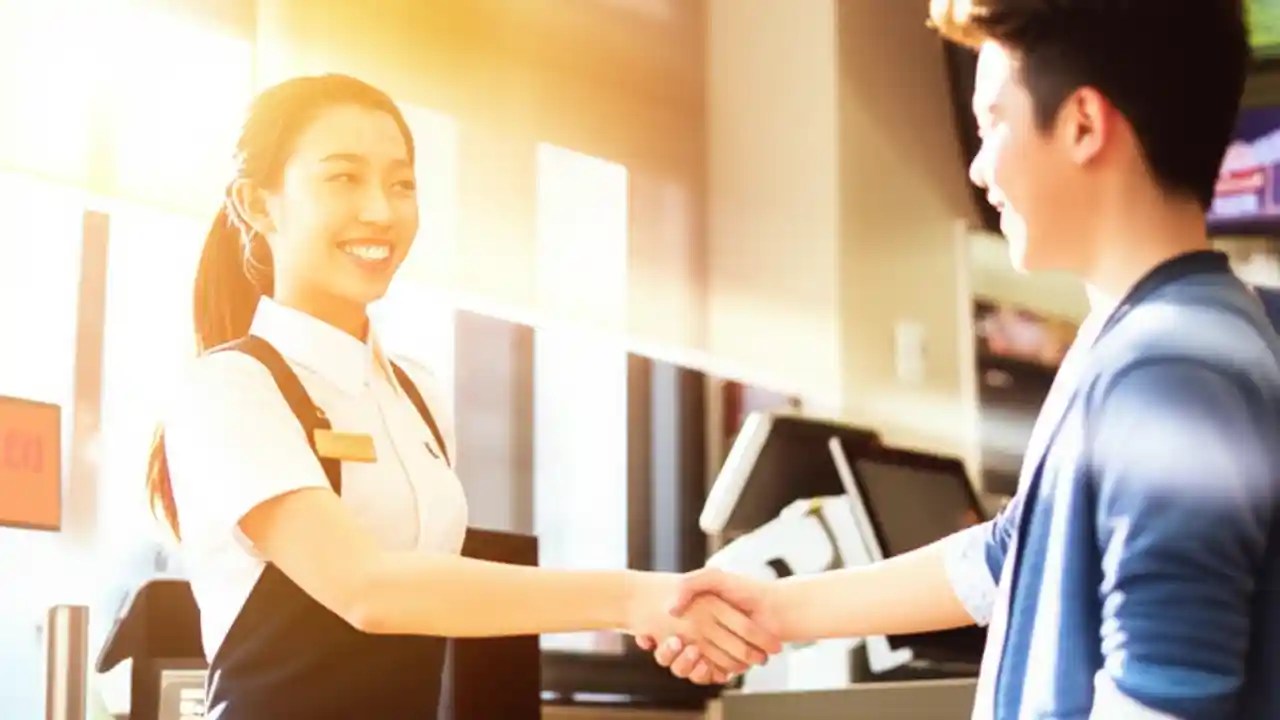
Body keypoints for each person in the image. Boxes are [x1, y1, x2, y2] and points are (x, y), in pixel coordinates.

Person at [643, 1, 1280, 717]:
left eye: (991, 125)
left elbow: (1166, 698)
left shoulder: (1168, 375)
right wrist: (774, 609)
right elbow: (1011, 553)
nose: (978, 169)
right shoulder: (1148, 340)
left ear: (1082, 125)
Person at [144, 73, 780, 719]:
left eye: (401, 184)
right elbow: (369, 591)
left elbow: (434, 600)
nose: (380, 211)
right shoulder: (227, 388)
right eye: (343, 178)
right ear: (258, 204)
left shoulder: (416, 391)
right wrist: (632, 598)